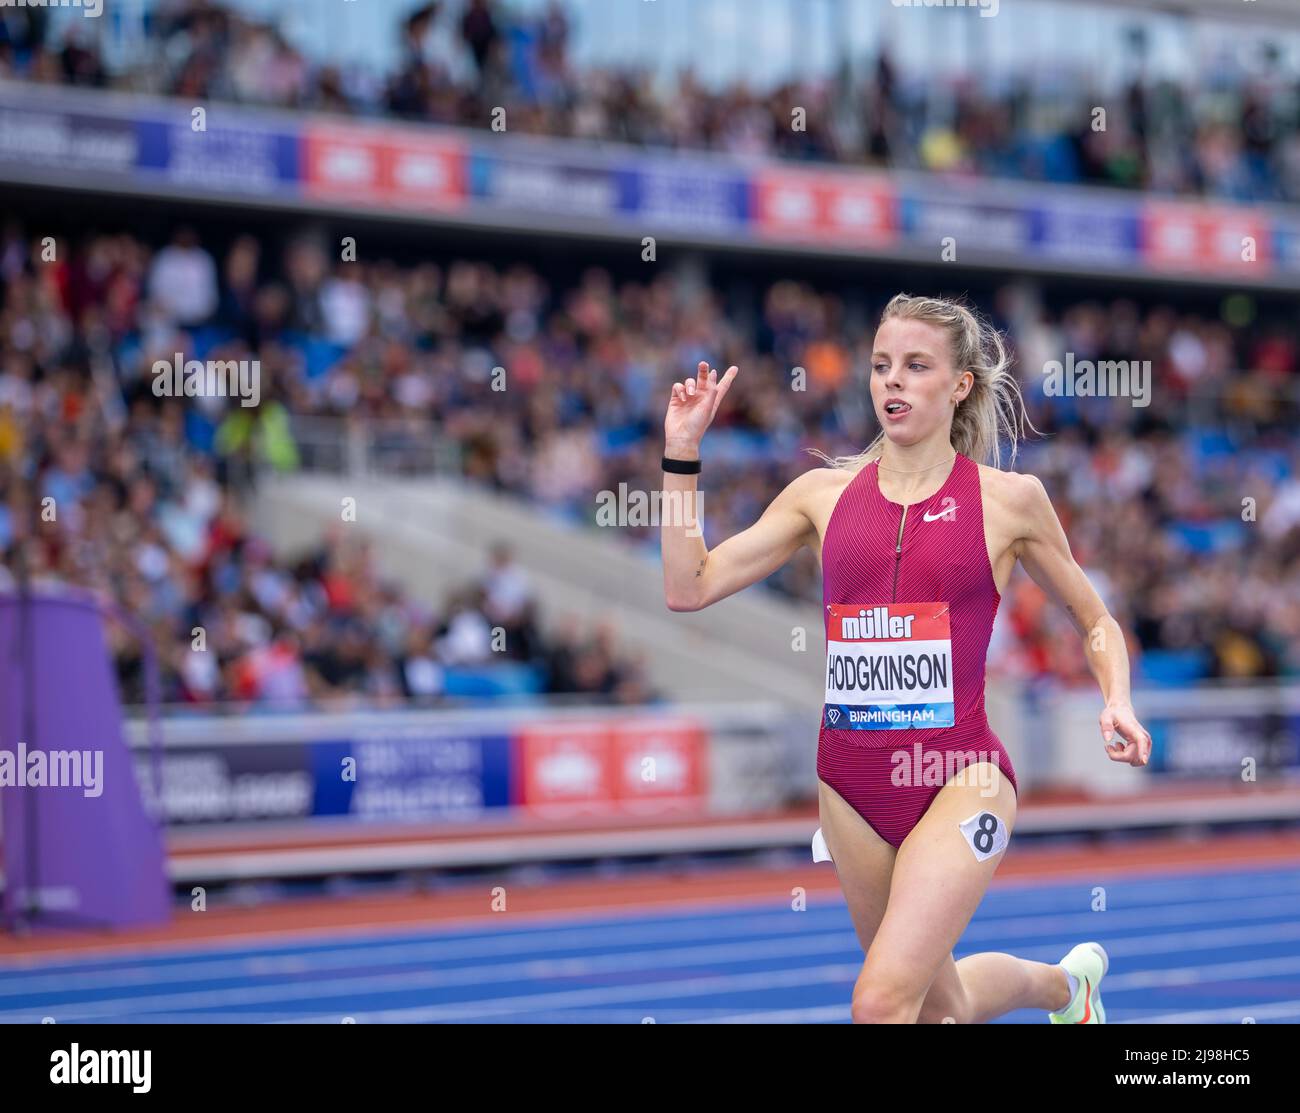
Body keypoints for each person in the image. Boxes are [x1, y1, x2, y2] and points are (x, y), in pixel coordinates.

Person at [659, 293, 1152, 1024]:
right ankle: (1064, 989)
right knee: (932, 1006)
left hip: (960, 776)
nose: (892, 380)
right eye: (881, 365)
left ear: (959, 386)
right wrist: (682, 454)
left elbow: (1095, 618)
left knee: (880, 1002)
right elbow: (687, 585)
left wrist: (1116, 697)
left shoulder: (1010, 501)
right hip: (850, 784)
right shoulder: (821, 496)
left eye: (916, 366)